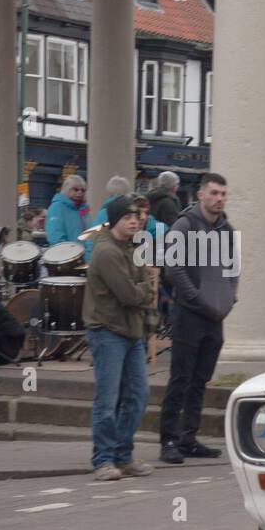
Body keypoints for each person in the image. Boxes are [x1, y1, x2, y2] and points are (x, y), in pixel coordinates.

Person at [159, 173, 237, 464]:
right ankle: (168, 440)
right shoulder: (185, 225)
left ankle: (188, 438)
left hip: (215, 316)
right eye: (214, 193)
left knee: (201, 379)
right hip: (188, 314)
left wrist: (229, 298)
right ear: (201, 195)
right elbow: (174, 270)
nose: (219, 199)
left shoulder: (227, 230)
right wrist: (196, 299)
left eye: (223, 194)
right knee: (180, 378)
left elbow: (233, 269)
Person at [83, 196, 155, 481]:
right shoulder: (107, 252)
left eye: (137, 217)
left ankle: (123, 456)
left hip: (130, 332)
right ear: (115, 221)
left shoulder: (132, 247)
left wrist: (142, 290)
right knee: (108, 400)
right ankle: (103, 460)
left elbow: (145, 287)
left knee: (138, 395)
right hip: (107, 331)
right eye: (127, 218)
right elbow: (130, 294)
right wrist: (143, 290)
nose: (135, 221)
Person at [44, 175, 91, 248]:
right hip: (64, 253)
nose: (80, 192)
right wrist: (69, 252)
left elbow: (89, 232)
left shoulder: (84, 208)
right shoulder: (56, 207)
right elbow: (55, 235)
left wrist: (89, 251)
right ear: (67, 189)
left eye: (83, 190)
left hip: (84, 253)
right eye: (76, 189)